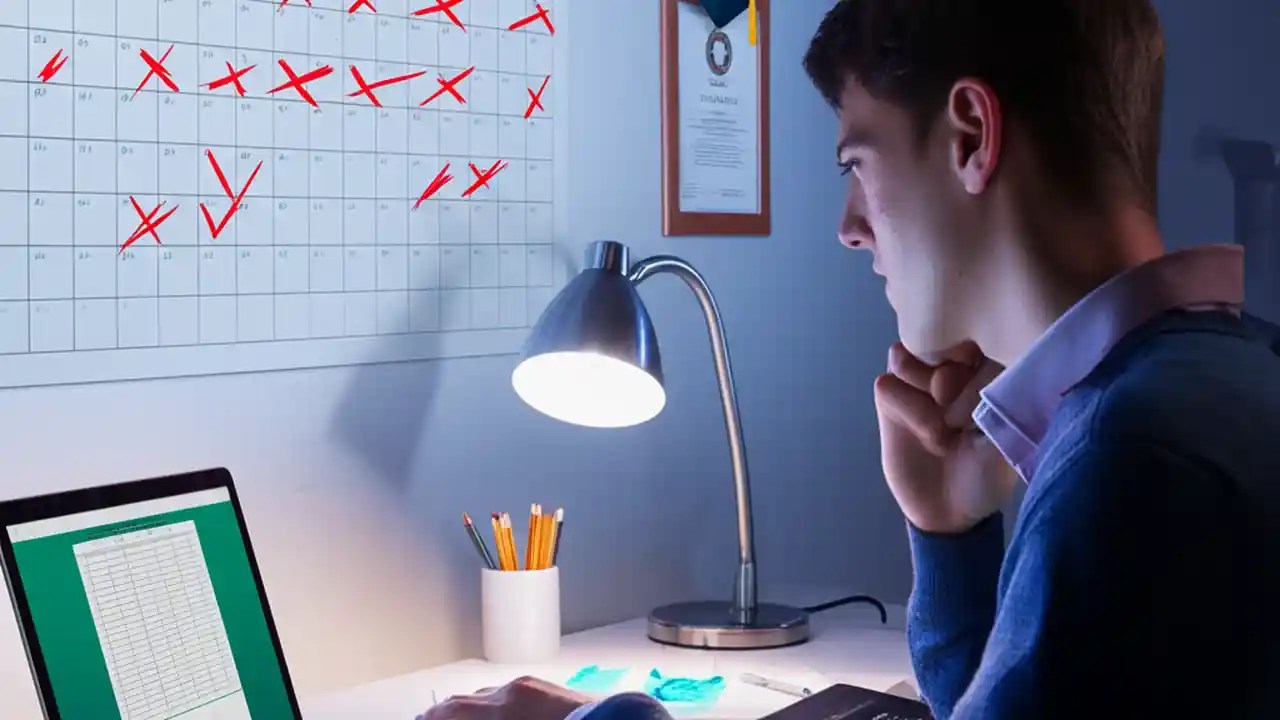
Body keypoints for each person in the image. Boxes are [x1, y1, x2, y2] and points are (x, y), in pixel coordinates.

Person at [422, 0, 1280, 717]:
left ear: (972, 136)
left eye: (858, 164)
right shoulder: (1212, 381)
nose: (849, 226)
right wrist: (950, 536)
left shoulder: (1138, 462)